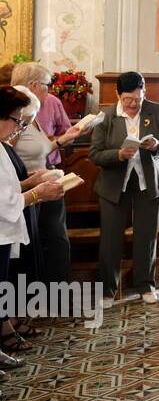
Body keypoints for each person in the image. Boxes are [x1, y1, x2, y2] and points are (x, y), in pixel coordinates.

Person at [88, 71, 159, 305]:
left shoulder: (158, 111)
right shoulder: (105, 116)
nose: (133, 104)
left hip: (149, 181)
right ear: (118, 95)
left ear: (144, 92)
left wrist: (157, 145)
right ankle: (108, 290)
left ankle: (146, 285)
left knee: (146, 236)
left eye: (137, 99)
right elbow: (95, 154)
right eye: (127, 99)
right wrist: (117, 154)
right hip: (113, 184)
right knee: (110, 238)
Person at [0, 87, 64, 391]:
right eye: (17, 121)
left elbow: (9, 188)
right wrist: (39, 193)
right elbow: (3, 202)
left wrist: (32, 181)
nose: (18, 128)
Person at [10, 64, 81, 289]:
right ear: (33, 85)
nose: (49, 91)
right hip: (25, 190)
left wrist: (63, 139)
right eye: (46, 86)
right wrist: (32, 178)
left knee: (55, 241)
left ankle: (54, 295)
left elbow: (39, 149)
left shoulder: (32, 111)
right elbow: (7, 156)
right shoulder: (16, 116)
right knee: (36, 246)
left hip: (43, 183)